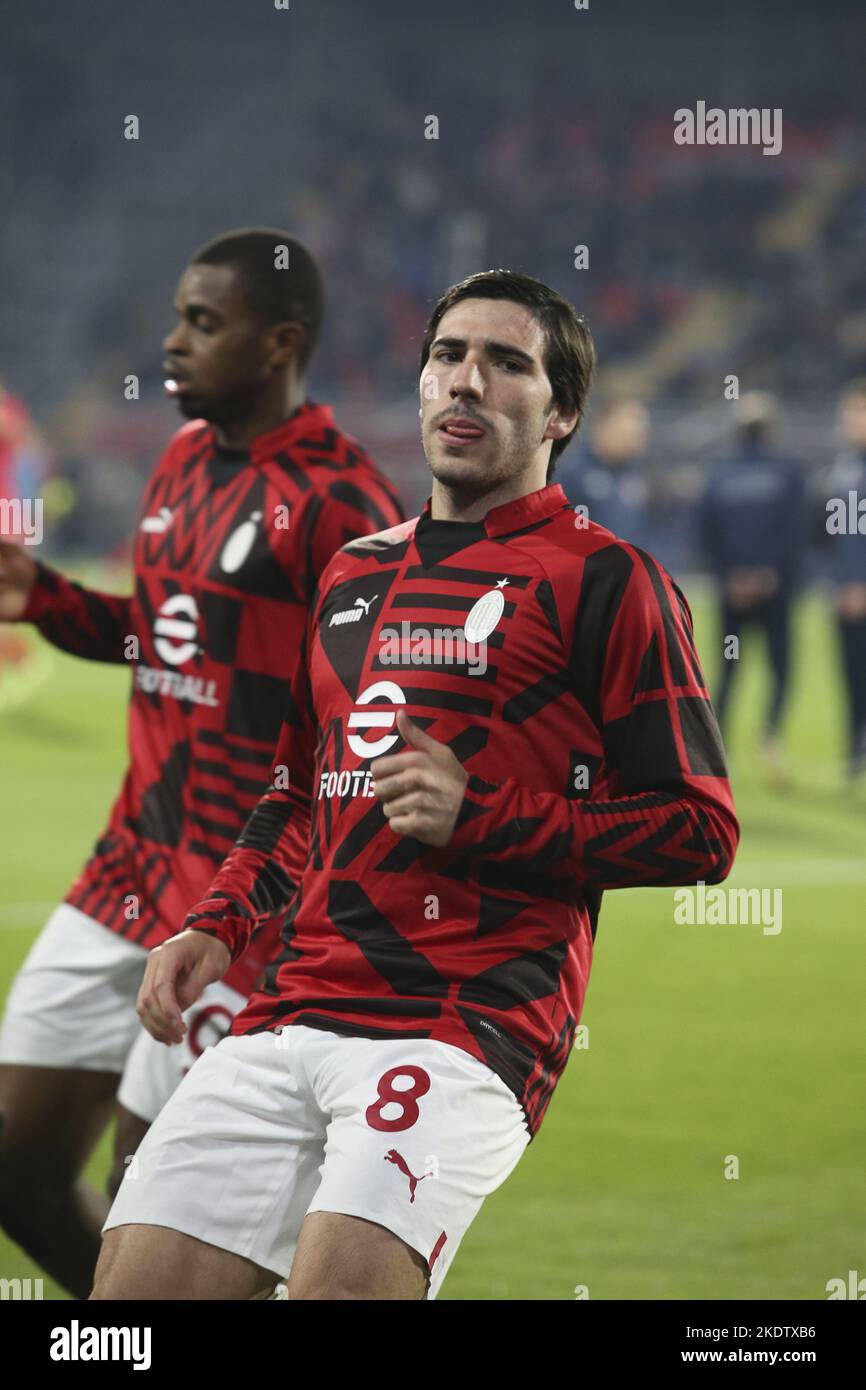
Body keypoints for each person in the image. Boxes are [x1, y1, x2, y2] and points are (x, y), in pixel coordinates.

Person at [93, 269, 738, 1302]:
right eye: (447, 357)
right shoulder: (351, 573)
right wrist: (216, 926)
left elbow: (700, 831)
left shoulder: (606, 580)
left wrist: (479, 816)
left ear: (561, 411)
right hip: (289, 1007)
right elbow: (298, 790)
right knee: (125, 1311)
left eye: (506, 364)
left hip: (464, 1021)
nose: (466, 383)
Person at [0, 227, 404, 1298]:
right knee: (16, 1162)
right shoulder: (180, 459)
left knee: (165, 1222)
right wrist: (45, 597)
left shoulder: (343, 506)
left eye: (202, 323)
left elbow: (365, 726)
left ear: (279, 344)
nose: (171, 342)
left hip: (235, 903)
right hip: (124, 867)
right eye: (179, 316)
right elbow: (166, 637)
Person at [697, 392, 806, 782]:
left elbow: (705, 533)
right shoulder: (788, 471)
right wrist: (771, 573)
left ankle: (715, 747)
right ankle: (770, 734)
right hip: (774, 590)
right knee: (781, 668)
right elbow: (795, 531)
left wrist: (730, 575)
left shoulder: (718, 474)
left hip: (734, 592)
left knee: (728, 669)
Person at [824, 378, 866, 778]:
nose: (850, 422)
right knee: (852, 673)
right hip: (844, 592)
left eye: (857, 413)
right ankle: (856, 747)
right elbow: (833, 535)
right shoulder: (844, 466)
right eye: (848, 414)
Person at [556, 395, 650, 547]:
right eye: (627, 433)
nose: (635, 442)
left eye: (639, 435)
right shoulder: (574, 474)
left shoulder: (637, 476)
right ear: (604, 426)